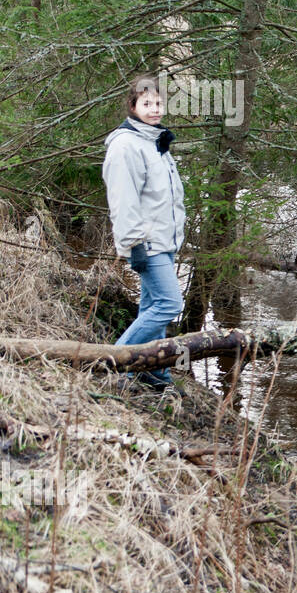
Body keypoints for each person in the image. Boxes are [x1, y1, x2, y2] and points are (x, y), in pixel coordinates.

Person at [102, 74, 186, 393]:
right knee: (168, 304)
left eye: (159, 103)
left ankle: (153, 371)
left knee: (152, 308)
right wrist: (134, 244)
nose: (154, 109)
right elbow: (123, 202)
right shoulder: (126, 146)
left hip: (165, 240)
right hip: (147, 243)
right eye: (146, 103)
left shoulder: (155, 141)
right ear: (133, 105)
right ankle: (113, 363)